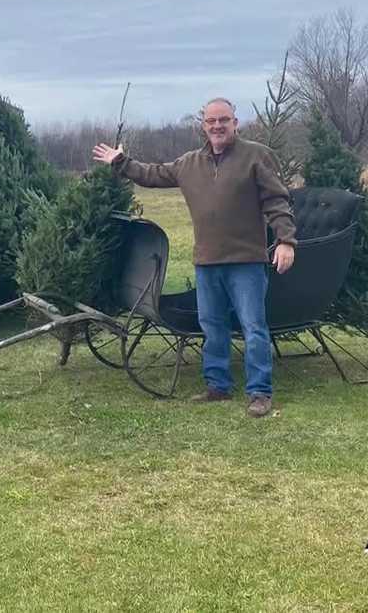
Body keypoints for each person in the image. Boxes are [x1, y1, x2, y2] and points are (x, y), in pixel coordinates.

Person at [91, 98, 296, 417]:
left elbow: (277, 200)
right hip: (207, 262)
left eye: (223, 120)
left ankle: (260, 393)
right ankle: (218, 387)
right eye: (211, 121)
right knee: (212, 326)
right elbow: (153, 174)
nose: (217, 126)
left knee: (253, 326)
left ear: (235, 123)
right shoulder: (189, 163)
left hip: (246, 261)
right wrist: (121, 162)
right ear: (203, 126)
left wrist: (285, 240)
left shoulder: (256, 156)